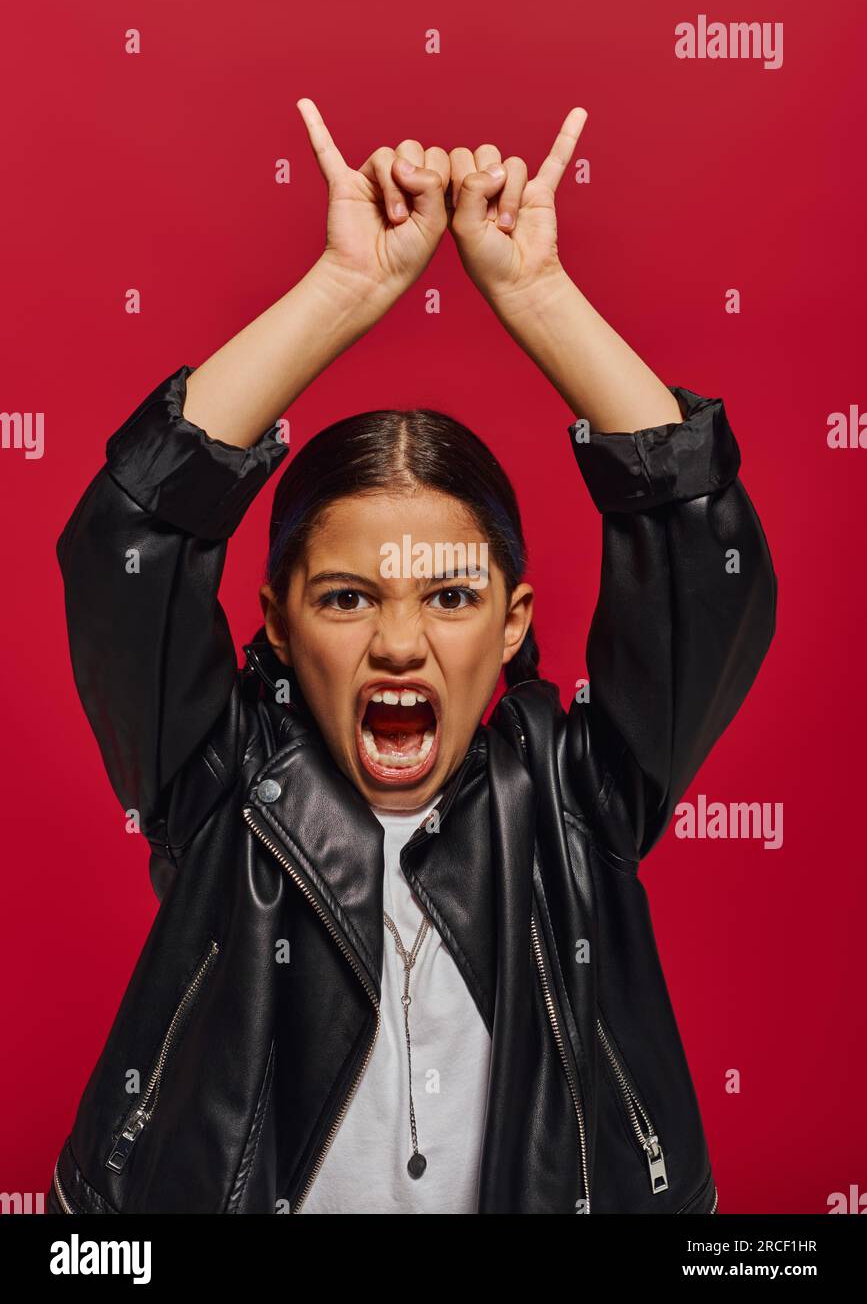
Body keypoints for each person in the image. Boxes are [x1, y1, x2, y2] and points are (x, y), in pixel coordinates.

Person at [48, 100, 776, 1215]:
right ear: (280, 622)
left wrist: (537, 297)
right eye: (347, 597)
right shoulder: (218, 784)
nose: (398, 640)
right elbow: (125, 547)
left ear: (516, 623)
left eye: (450, 594)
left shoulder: (582, 796)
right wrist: (342, 292)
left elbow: (703, 563)